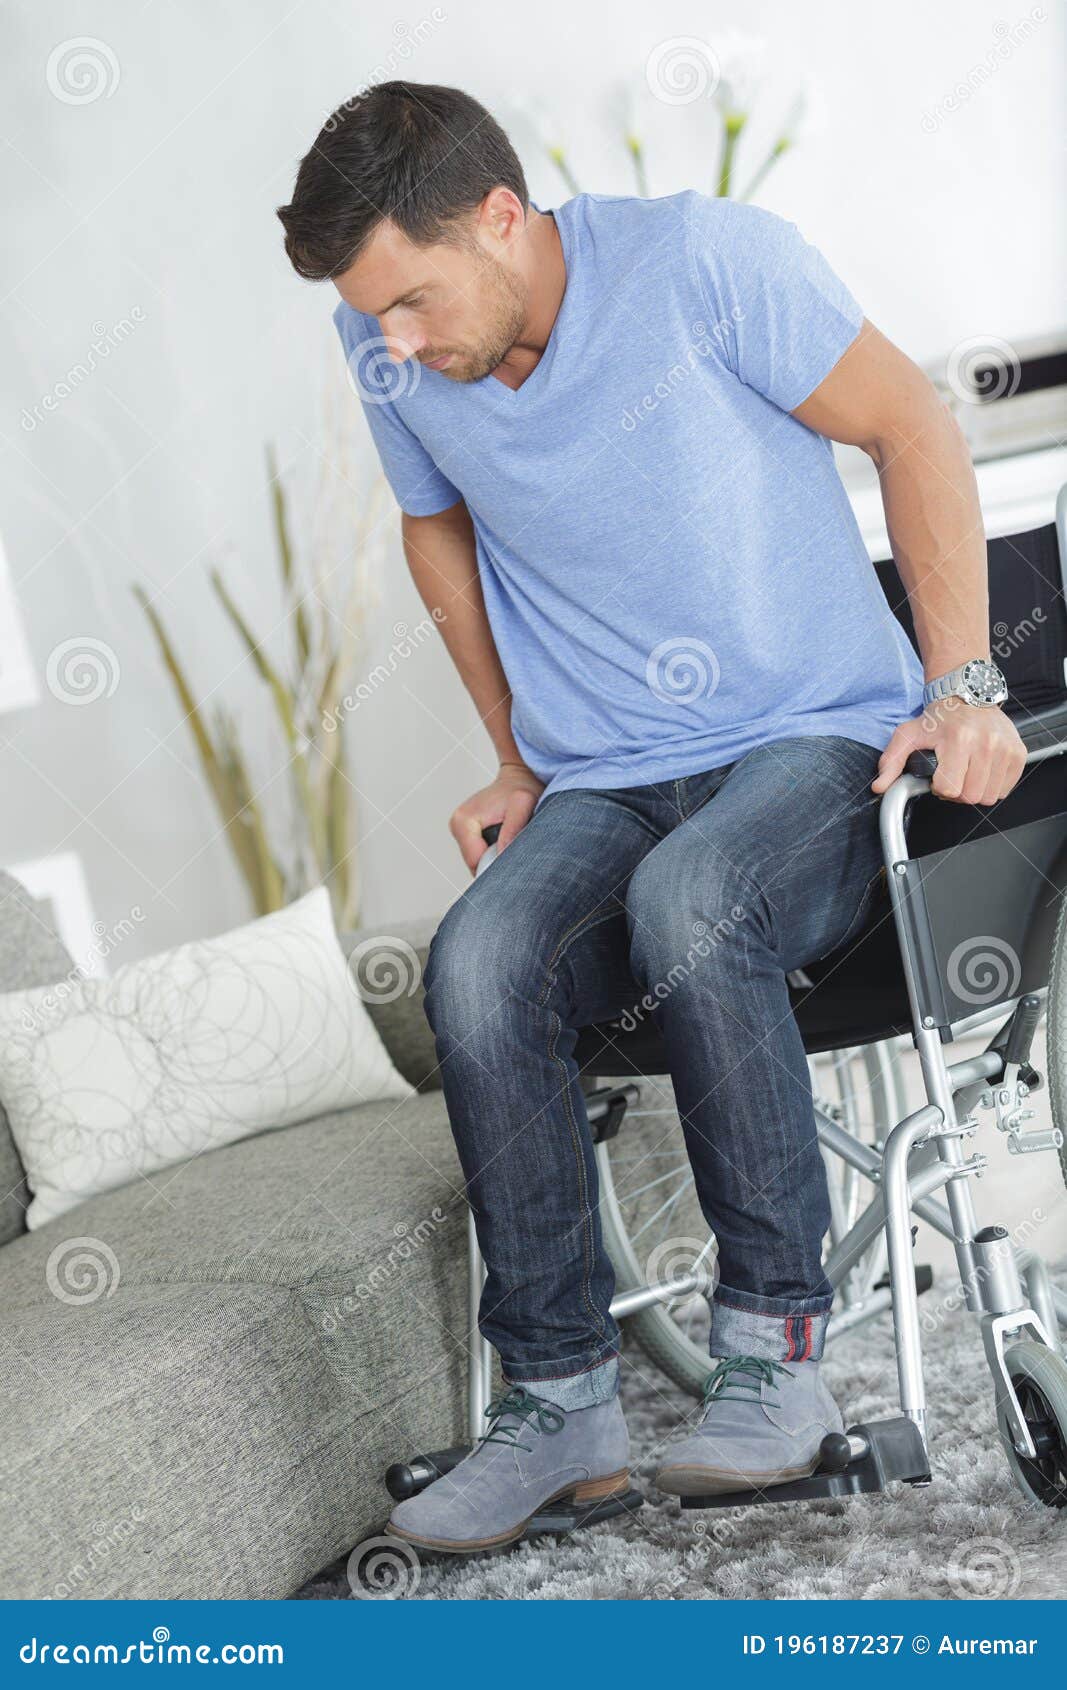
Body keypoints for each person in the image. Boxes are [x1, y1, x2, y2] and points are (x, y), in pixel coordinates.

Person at [277, 81, 1024, 1554]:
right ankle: (560, 1405)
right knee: (479, 961)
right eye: (374, 322)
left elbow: (911, 423)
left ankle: (777, 1356)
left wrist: (965, 682)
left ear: (503, 217)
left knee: (694, 894)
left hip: (809, 742)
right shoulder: (390, 339)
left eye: (416, 304)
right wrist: (511, 751)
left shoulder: (702, 264)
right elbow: (437, 521)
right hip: (602, 771)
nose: (397, 348)